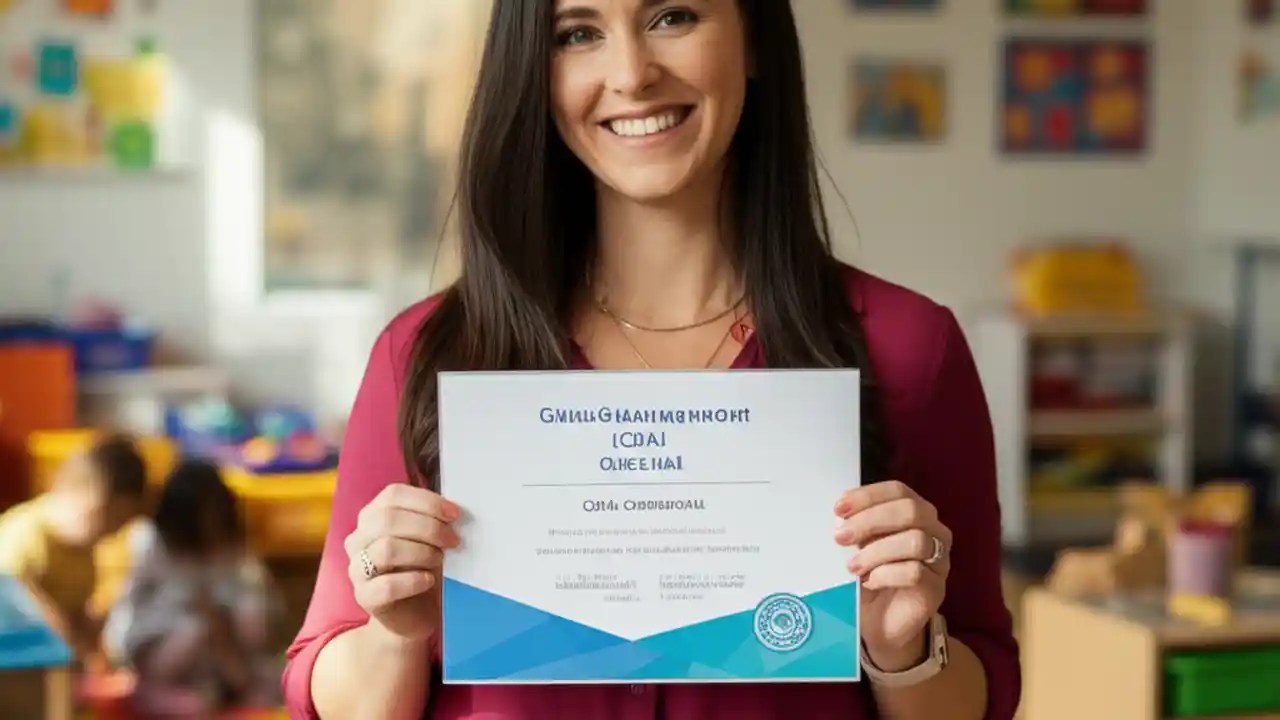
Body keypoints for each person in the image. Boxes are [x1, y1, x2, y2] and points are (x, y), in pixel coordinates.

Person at [285, 1, 1021, 718]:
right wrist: (393, 634)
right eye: (578, 32)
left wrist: (902, 650)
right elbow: (326, 689)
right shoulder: (422, 356)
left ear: (755, 36)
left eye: (673, 17)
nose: (632, 73)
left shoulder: (909, 349)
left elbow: (983, 688)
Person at [104, 459, 280, 717]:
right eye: (203, 519)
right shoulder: (150, 545)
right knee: (194, 634)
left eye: (217, 517)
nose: (210, 527)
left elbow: (254, 621)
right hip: (161, 661)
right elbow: (127, 628)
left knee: (266, 679)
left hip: (226, 660)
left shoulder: (235, 553)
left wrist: (228, 635)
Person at [0, 432, 147, 664]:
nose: (108, 531)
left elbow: (78, 616)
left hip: (46, 659)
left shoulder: (85, 551)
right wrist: (73, 646)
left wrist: (91, 637)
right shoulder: (25, 534)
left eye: (119, 523)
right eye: (103, 517)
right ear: (66, 490)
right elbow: (24, 604)